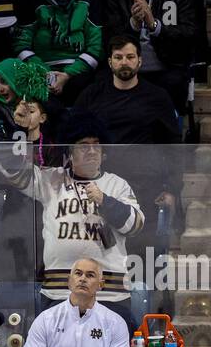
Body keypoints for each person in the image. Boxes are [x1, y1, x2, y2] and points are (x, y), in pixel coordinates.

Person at [0, 110, 145, 318]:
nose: (92, 151)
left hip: (109, 295)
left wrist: (105, 201)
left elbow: (136, 225)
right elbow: (12, 171)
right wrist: (21, 129)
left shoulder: (116, 184)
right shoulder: (51, 180)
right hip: (59, 292)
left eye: (97, 145)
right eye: (84, 145)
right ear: (70, 152)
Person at [74, 35, 183, 267]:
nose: (125, 62)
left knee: (144, 258)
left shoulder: (157, 97)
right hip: (100, 186)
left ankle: (147, 301)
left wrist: (172, 188)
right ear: (110, 62)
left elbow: (173, 147)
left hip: (146, 187)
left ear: (140, 61)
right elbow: (75, 139)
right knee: (100, 253)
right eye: (119, 57)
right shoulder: (91, 96)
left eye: (130, 57)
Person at [101, 0, 200, 111]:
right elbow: (108, 38)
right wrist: (133, 24)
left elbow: (190, 34)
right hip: (125, 68)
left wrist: (155, 26)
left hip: (166, 67)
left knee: (175, 82)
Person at [12, 0, 103, 104]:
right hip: (40, 68)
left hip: (78, 69)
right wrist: (46, 74)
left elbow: (96, 48)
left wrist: (67, 75)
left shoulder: (90, 1)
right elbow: (20, 45)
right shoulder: (34, 1)